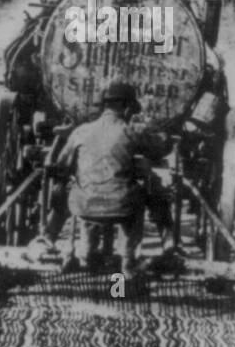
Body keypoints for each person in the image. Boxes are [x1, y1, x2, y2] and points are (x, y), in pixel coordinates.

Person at [37, 81, 179, 274]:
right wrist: (165, 137)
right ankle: (131, 259)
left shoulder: (81, 131)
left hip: (84, 206)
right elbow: (158, 150)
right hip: (122, 207)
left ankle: (71, 248)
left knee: (74, 189)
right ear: (127, 108)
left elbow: (61, 167)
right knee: (150, 188)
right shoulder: (130, 132)